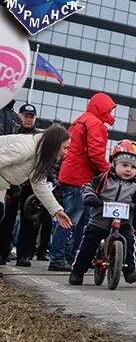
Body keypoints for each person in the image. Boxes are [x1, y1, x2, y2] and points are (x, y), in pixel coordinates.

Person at [68, 140, 136, 286]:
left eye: (133, 167)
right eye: (124, 165)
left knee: (129, 241)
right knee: (88, 245)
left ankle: (129, 270)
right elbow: (88, 186)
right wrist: (91, 197)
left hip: (123, 220)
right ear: (114, 163)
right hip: (100, 219)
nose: (128, 170)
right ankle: (78, 271)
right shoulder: (104, 178)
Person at [50, 93, 116, 272]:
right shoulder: (95, 124)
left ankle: (69, 257)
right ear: (102, 108)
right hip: (81, 177)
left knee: (78, 219)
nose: (111, 113)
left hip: (73, 174)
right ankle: (59, 257)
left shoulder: (80, 121)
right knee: (73, 218)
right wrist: (108, 172)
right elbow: (95, 153)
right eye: (109, 109)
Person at [0, 125, 73, 264]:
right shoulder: (26, 148)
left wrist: (56, 210)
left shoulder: (40, 156)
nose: (66, 153)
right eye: (65, 148)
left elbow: (39, 185)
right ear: (54, 144)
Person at [0, 103, 42, 265]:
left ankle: (23, 255)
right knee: (7, 219)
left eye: (31, 117)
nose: (28, 119)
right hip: (12, 184)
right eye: (26, 116)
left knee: (29, 221)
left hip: (30, 185)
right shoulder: (12, 132)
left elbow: (46, 163)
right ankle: (2, 253)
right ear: (20, 116)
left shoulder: (39, 137)